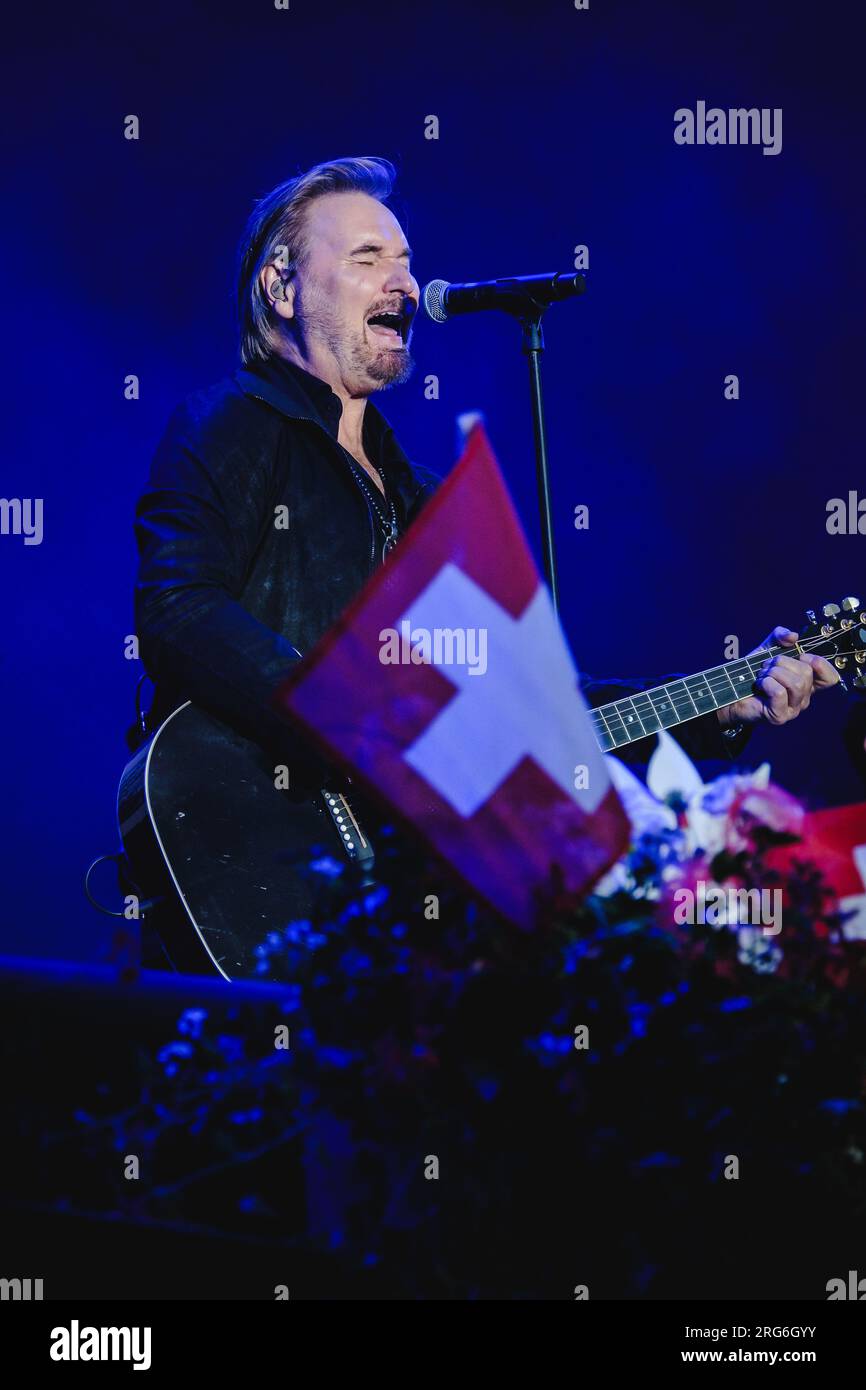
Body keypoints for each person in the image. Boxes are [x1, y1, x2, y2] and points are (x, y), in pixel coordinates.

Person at [129, 155, 838, 969]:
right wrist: (348, 727)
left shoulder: (425, 502)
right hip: (253, 837)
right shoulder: (230, 425)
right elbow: (179, 610)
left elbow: (537, 713)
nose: (402, 283)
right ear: (282, 289)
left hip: (406, 915)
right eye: (366, 260)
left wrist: (723, 706)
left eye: (406, 262)